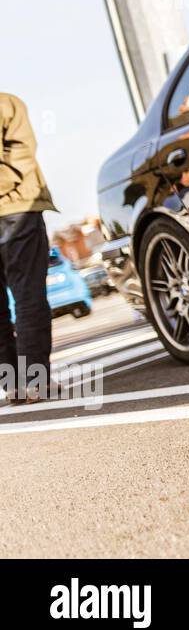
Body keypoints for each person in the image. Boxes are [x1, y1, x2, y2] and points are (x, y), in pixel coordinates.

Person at [0, 93, 57, 403]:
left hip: (13, 212)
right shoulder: (6, 104)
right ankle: (34, 381)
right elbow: (22, 153)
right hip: (15, 209)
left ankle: (14, 385)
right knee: (28, 296)